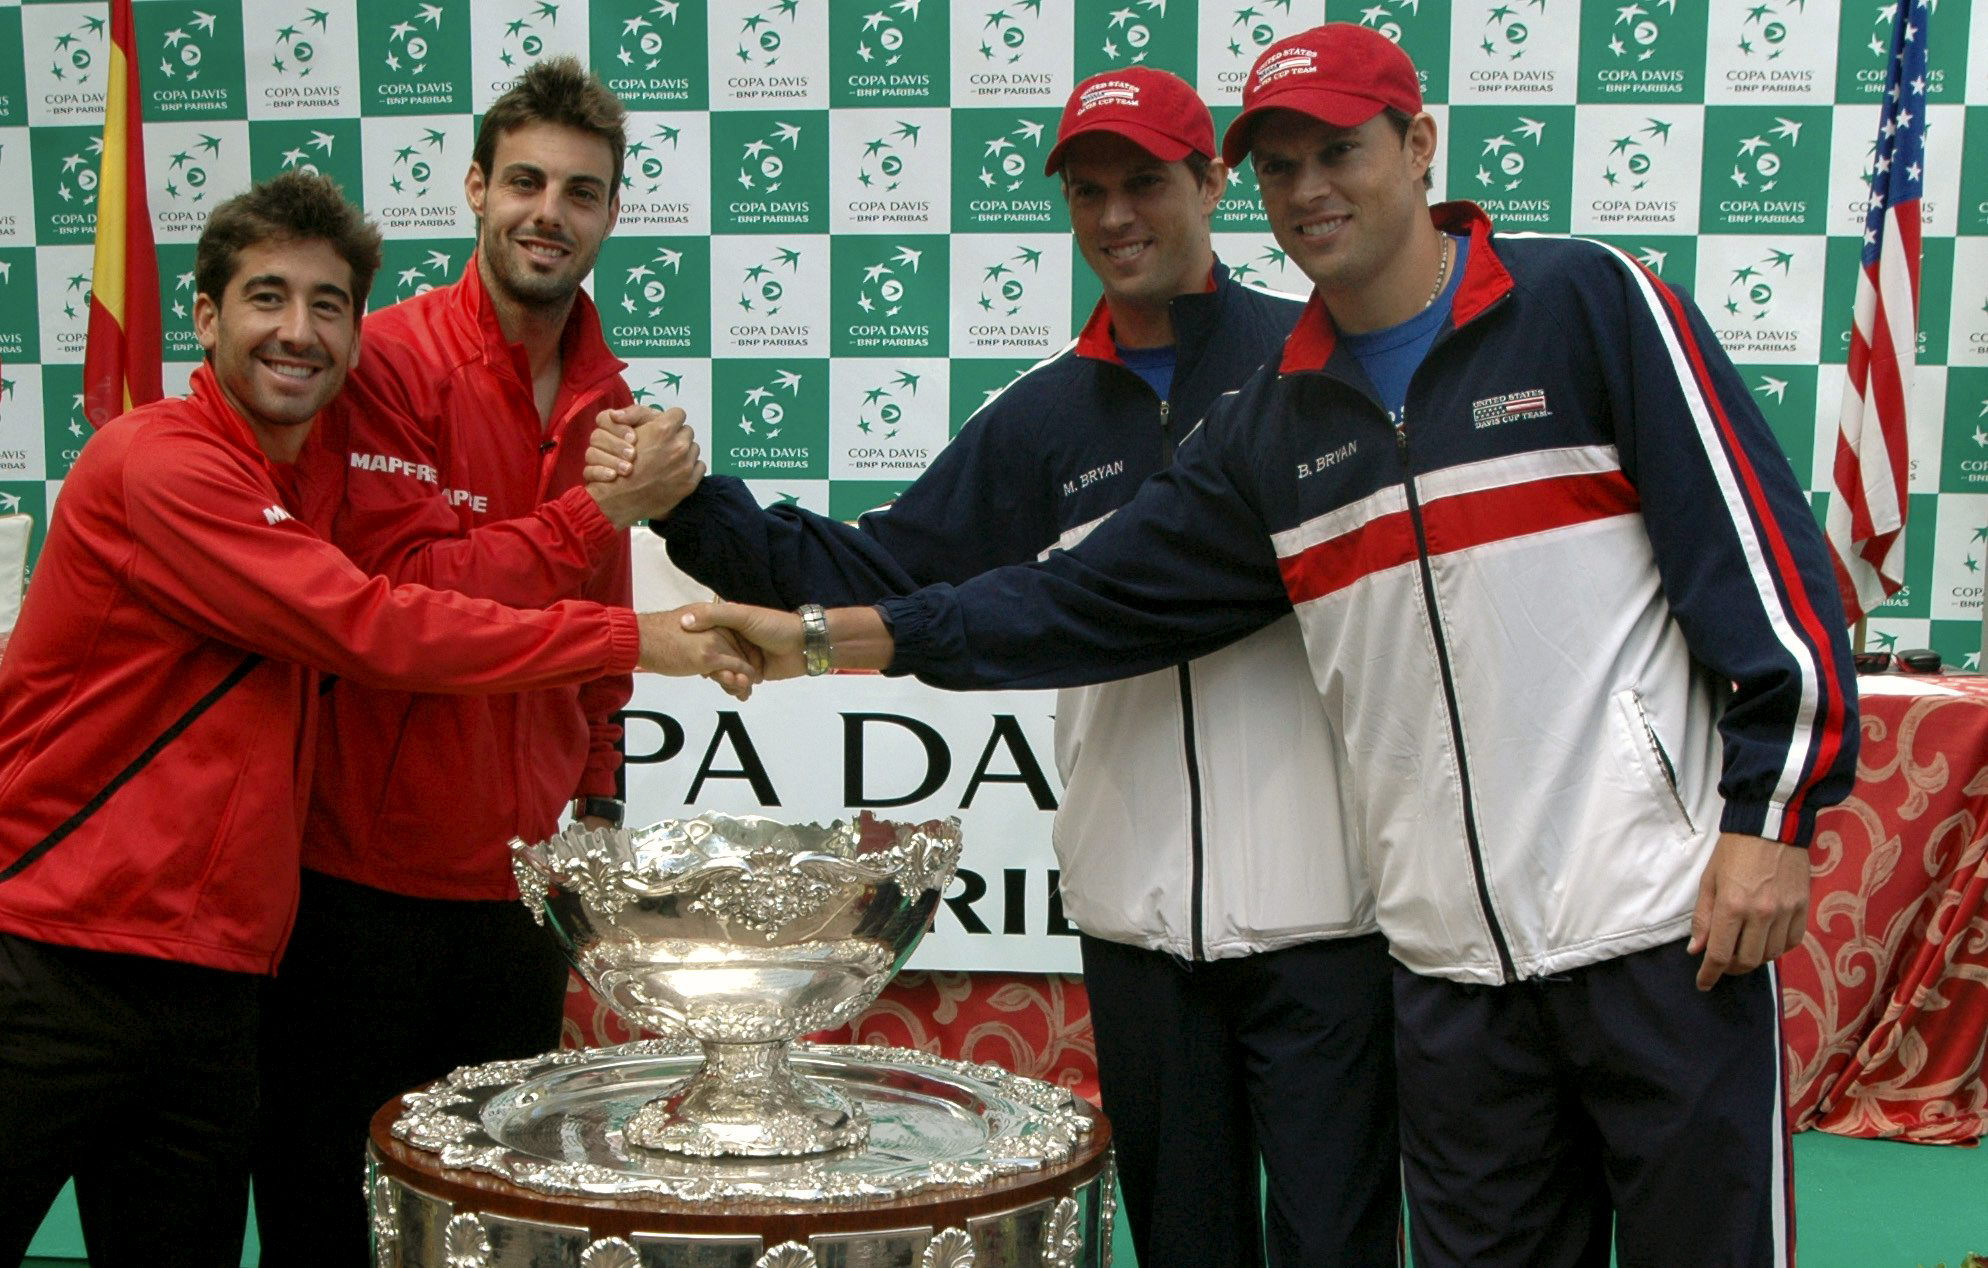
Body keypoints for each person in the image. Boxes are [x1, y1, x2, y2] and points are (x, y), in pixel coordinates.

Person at [687, 23, 1858, 1268]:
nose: (1306, 190)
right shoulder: (1273, 427)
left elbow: (1762, 566)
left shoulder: (1583, 301)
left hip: (1652, 928)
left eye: (1336, 152)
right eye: (1279, 166)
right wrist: (817, 634)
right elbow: (1074, 600)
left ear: (1415, 148)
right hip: (1446, 970)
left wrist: (1767, 818)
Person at [590, 66, 1396, 1267]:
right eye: (1087, 192)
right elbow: (872, 567)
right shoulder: (1043, 416)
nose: (1114, 216)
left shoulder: (1313, 367)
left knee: (1338, 1246)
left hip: (1330, 916)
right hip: (1137, 927)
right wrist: (690, 510)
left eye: (1143, 182)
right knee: (1183, 1242)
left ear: (1212, 182)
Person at [0, 171, 754, 1268]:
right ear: (205, 317)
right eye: (266, 298)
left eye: (327, 305)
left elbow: (430, 588)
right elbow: (373, 625)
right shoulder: (159, 459)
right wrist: (633, 632)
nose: (297, 332)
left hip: (220, 982)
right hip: (56, 956)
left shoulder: (314, 481)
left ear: (359, 333)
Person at [249, 58, 702, 1262]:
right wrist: (591, 516)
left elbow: (596, 636)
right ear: (474, 189)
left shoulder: (608, 393)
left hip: (514, 886)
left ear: (611, 215)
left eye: (581, 191)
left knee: (491, 1219)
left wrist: (597, 792)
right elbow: (403, 609)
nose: (548, 211)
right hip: (359, 879)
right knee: (328, 1211)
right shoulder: (383, 360)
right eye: (525, 182)